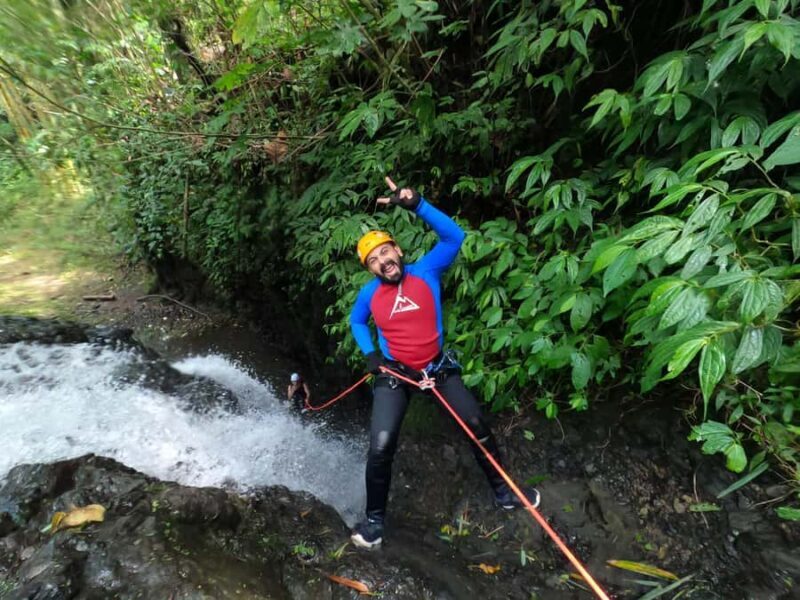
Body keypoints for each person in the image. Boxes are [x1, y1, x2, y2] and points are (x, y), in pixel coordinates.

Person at [348, 176, 540, 549]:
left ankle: (504, 493)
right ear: (370, 269)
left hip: (436, 367)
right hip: (395, 375)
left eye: (385, 252)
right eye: (373, 260)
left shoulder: (426, 270)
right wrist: (370, 353)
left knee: (476, 424)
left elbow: (454, 238)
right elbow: (357, 321)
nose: (383, 261)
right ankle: (374, 522)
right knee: (381, 446)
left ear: (398, 251)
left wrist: (417, 203)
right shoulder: (369, 294)